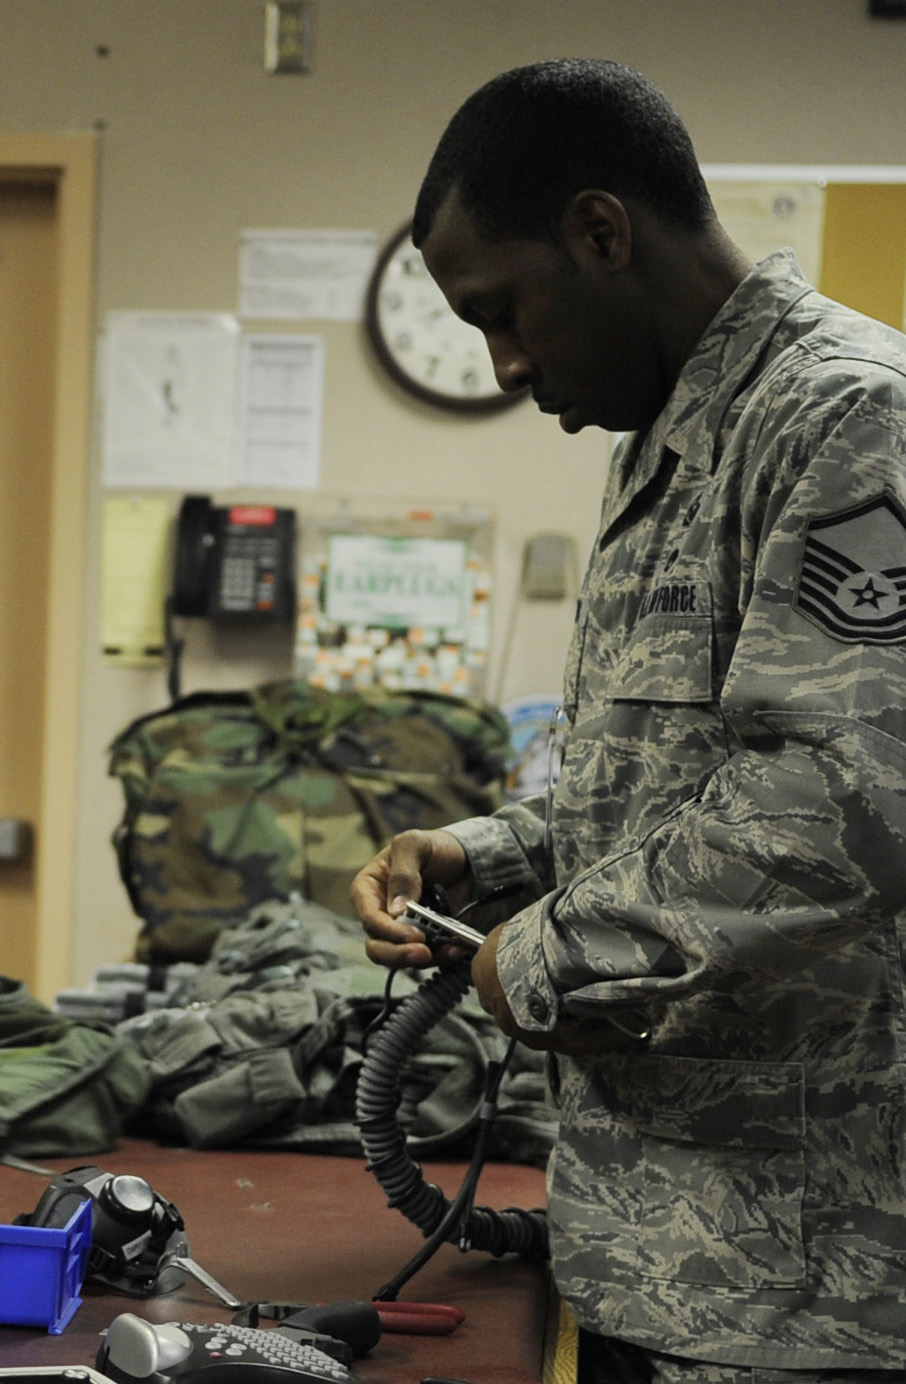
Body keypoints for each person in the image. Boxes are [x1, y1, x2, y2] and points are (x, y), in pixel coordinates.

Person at [353, 59, 906, 1384]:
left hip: (807, 1292)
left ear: (600, 233)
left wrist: (531, 957)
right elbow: (665, 784)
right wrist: (478, 860)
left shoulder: (849, 418)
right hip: (656, 1251)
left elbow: (837, 804)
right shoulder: (663, 441)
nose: (500, 363)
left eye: (503, 311)